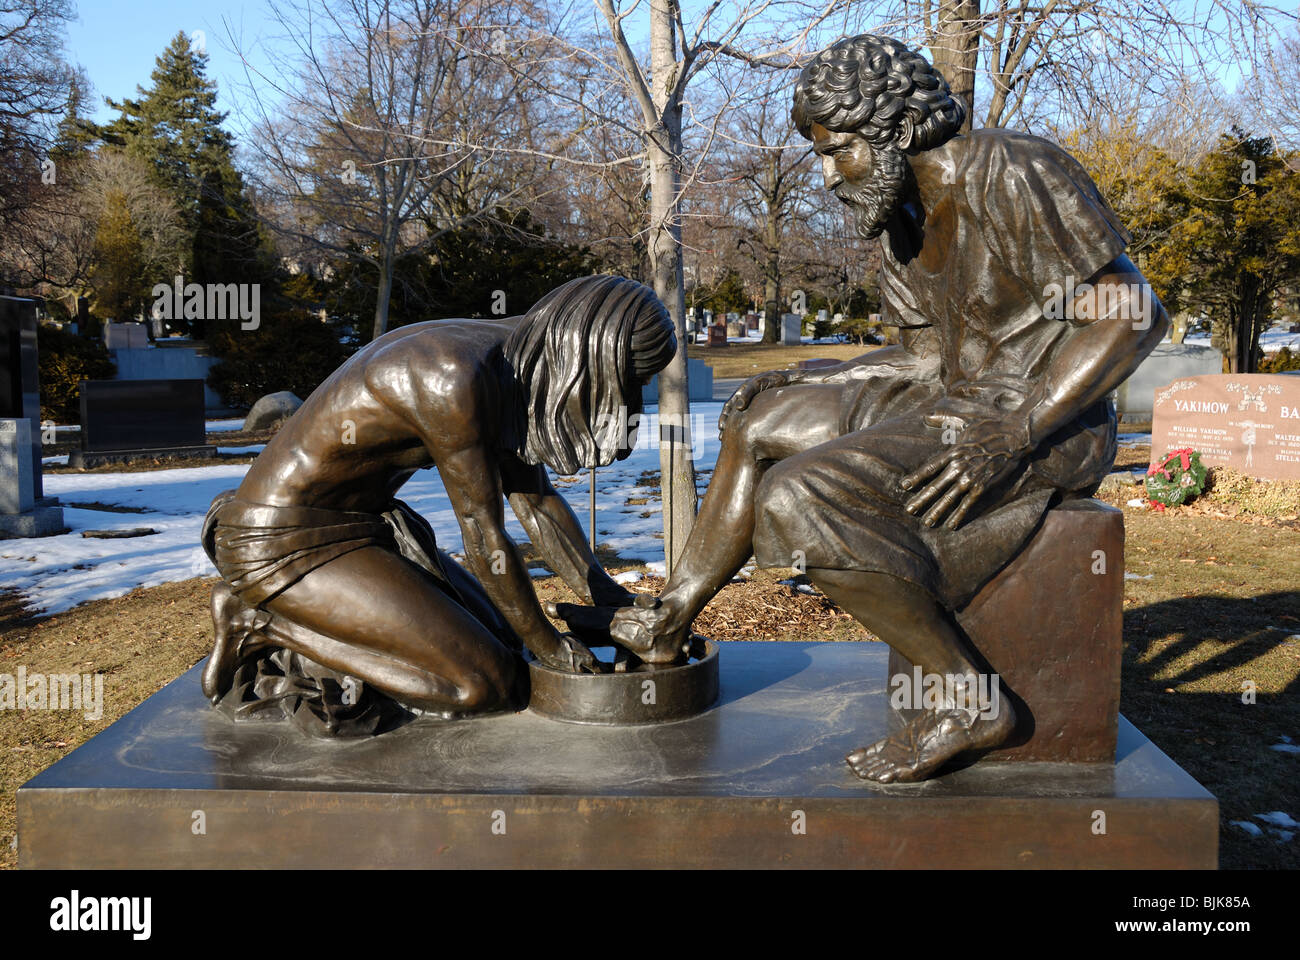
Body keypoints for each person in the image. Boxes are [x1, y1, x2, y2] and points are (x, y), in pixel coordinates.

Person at [561, 35, 1168, 782]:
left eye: (836, 150)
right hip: (955, 399)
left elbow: (1133, 313)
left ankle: (972, 700)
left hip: (1042, 423)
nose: (824, 174)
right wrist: (813, 377)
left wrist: (1020, 427)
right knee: (760, 424)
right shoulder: (900, 217)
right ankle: (669, 617)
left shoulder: (1013, 169)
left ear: (902, 130)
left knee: (798, 498)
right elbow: (917, 359)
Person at [200, 275, 675, 734]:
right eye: (629, 381)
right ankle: (260, 624)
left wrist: (607, 596)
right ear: (587, 360)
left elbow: (538, 505)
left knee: (510, 646)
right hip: (280, 543)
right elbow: (483, 534)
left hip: (366, 529)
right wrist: (551, 647)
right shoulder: (453, 377)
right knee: (483, 686)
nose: (631, 400)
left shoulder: (522, 362)